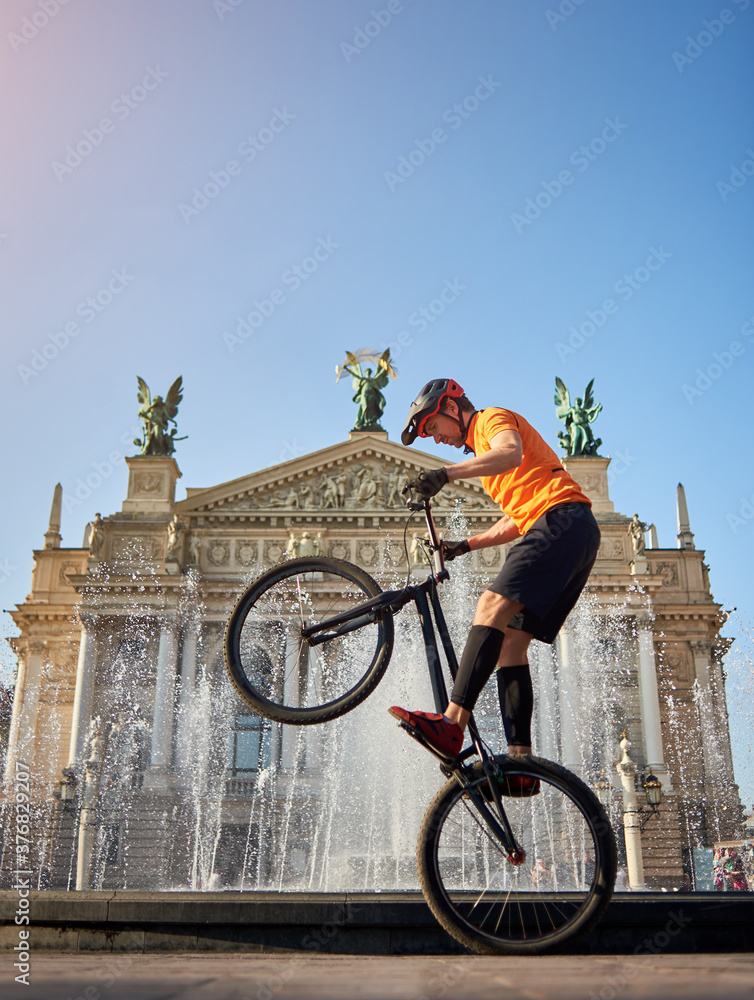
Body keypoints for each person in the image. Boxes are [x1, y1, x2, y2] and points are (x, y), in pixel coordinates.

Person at [389, 378, 601, 794]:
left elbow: (510, 452)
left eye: (434, 428)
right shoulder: (492, 469)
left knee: (488, 606)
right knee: (510, 645)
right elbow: (517, 518)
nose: (438, 439)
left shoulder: (490, 421)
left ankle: (451, 723)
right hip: (571, 529)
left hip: (560, 520)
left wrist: (445, 475)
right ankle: (521, 766)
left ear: (451, 408)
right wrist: (463, 546)